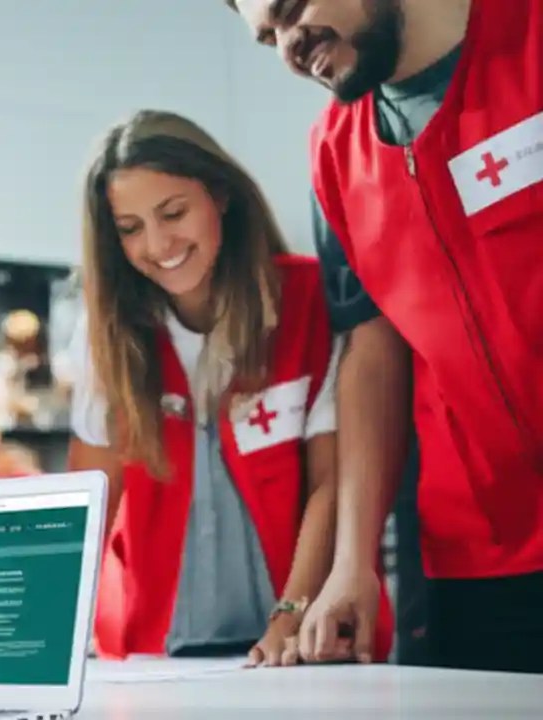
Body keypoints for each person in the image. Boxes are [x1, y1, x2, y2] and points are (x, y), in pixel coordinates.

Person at [228, 0, 543, 672]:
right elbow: (372, 354)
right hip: (482, 553)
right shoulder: (334, 155)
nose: (289, 46)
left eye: (289, 9)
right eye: (269, 38)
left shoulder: (530, 40)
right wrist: (351, 562)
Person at [67, 110, 392, 665]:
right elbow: (93, 497)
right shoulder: (105, 332)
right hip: (151, 650)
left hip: (293, 644)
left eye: (173, 213)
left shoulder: (309, 301)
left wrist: (289, 616)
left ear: (220, 195)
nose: (158, 243)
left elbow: (329, 485)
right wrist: (59, 631)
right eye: (130, 228)